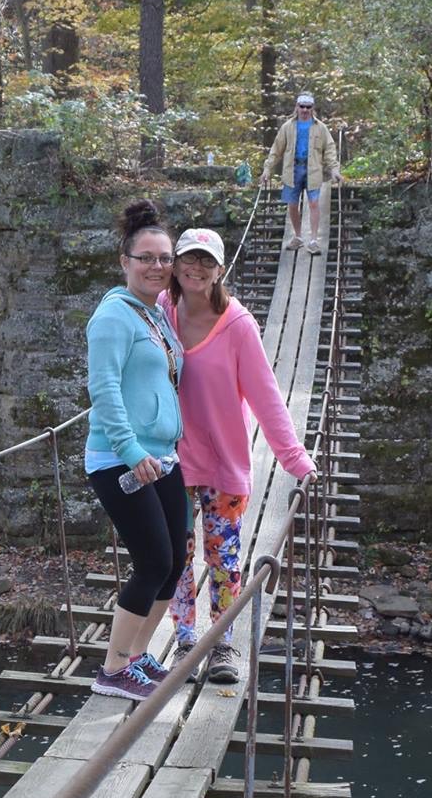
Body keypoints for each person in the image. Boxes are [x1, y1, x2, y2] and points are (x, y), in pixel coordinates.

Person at [163, 227, 316, 683]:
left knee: (223, 561)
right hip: (171, 460)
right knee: (175, 556)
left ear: (220, 271)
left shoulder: (238, 326)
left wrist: (295, 460)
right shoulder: (157, 315)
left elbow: (267, 398)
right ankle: (186, 641)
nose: (196, 268)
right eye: (188, 259)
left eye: (206, 262)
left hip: (225, 464)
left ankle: (222, 646)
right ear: (175, 264)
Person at [84, 199, 190, 702]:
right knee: (152, 560)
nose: (157, 266)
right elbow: (103, 391)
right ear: (124, 261)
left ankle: (137, 655)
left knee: (174, 561)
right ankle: (111, 670)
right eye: (145, 257)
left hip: (163, 456)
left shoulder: (155, 315)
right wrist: (129, 449)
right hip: (121, 459)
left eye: (165, 258)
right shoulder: (113, 317)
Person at [261, 91, 340, 254]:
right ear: (297, 107)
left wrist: (334, 170)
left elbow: (330, 149)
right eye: (302, 106)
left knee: (313, 203)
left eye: (308, 107)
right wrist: (267, 169)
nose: (305, 110)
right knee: (292, 205)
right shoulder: (287, 127)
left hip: (313, 169)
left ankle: (313, 240)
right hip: (292, 169)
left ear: (312, 108)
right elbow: (276, 149)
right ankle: (298, 237)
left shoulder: (321, 128)